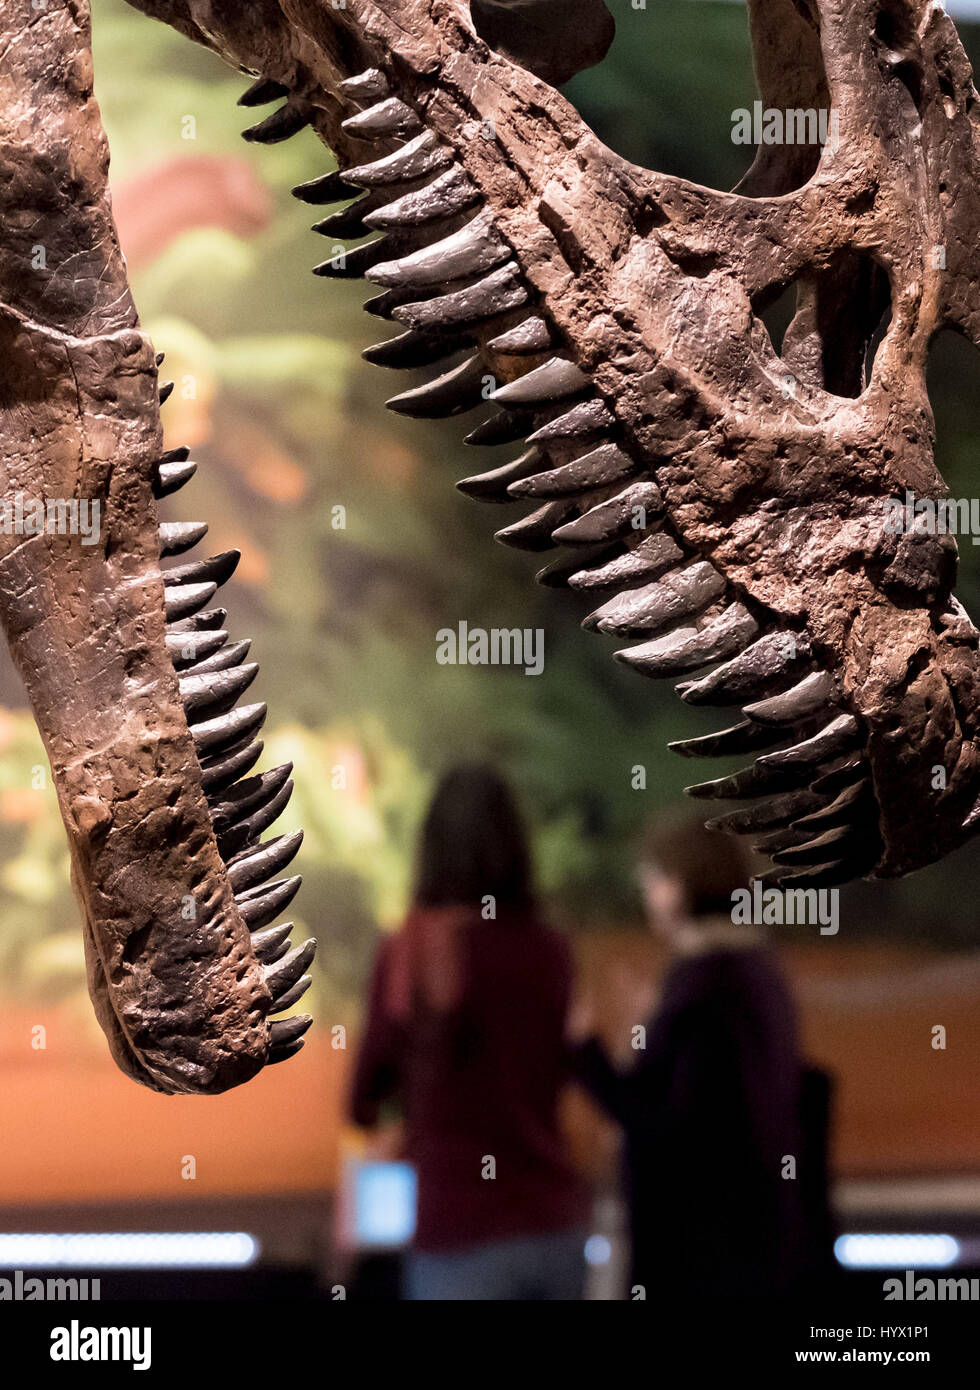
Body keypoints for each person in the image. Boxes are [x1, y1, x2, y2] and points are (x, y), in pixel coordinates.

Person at [349, 764, 589, 1300]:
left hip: (460, 1233)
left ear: (431, 846)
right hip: (555, 1227)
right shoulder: (551, 951)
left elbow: (362, 1100)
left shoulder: (410, 951)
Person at [571, 815, 833, 1300]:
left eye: (652, 878)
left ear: (678, 885)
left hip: (702, 1255)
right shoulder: (756, 971)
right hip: (759, 1245)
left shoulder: (704, 980)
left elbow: (673, 1130)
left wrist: (588, 1055)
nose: (648, 893)